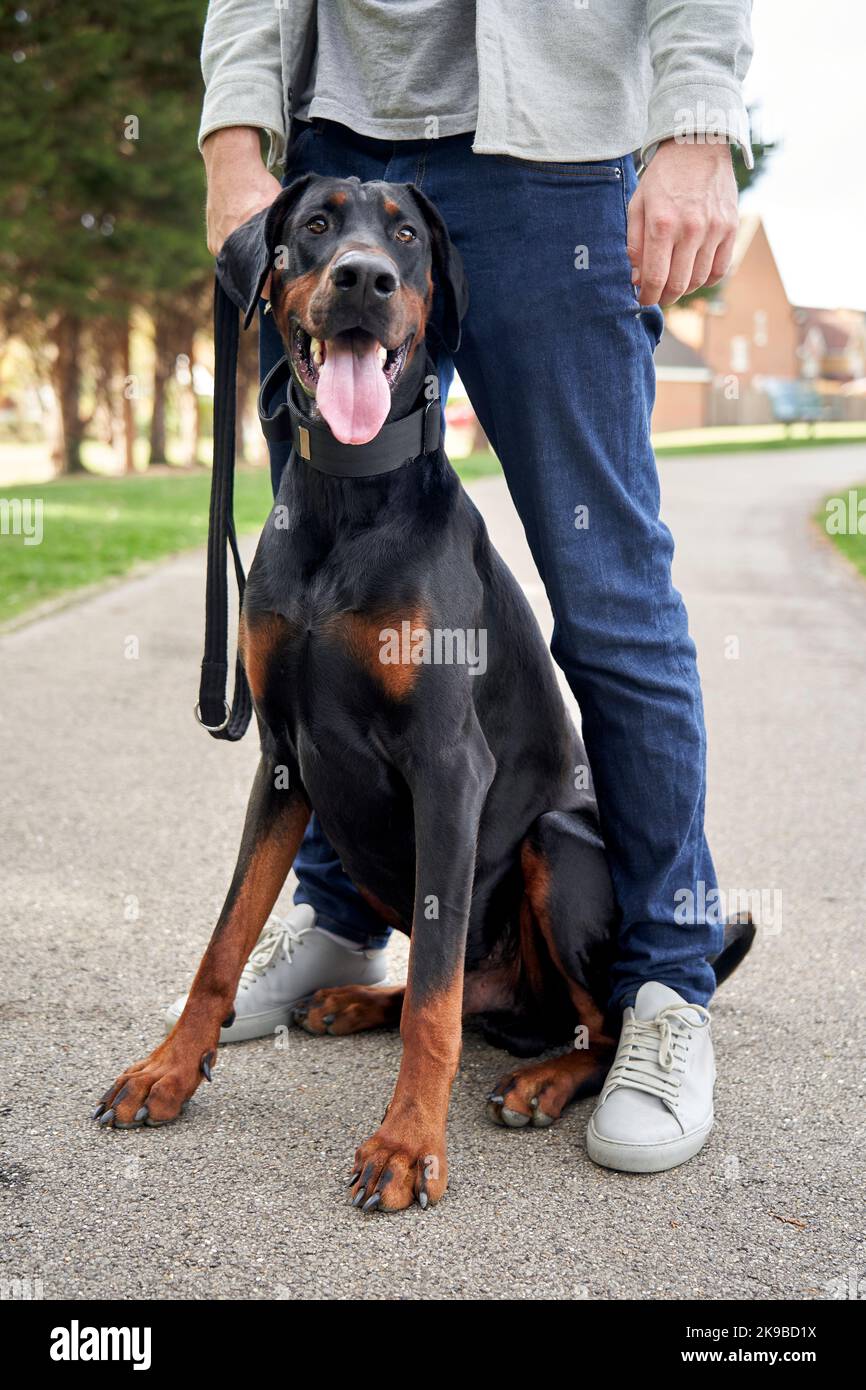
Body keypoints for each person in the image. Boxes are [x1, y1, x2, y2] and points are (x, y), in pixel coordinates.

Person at [169, 0, 753, 1173]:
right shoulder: (317, 237)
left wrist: (695, 120)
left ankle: (660, 990)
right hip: (333, 126)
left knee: (608, 594)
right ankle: (345, 927)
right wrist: (234, 138)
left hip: (549, 148)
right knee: (326, 638)